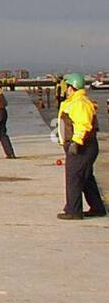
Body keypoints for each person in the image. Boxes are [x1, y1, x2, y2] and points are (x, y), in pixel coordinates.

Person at [56, 73, 104, 220]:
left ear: (72, 87)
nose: (65, 89)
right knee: (86, 177)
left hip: (82, 146)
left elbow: (83, 124)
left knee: (74, 177)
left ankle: (74, 211)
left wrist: (76, 142)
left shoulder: (79, 103)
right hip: (83, 145)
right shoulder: (75, 101)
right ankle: (97, 207)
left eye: (67, 87)